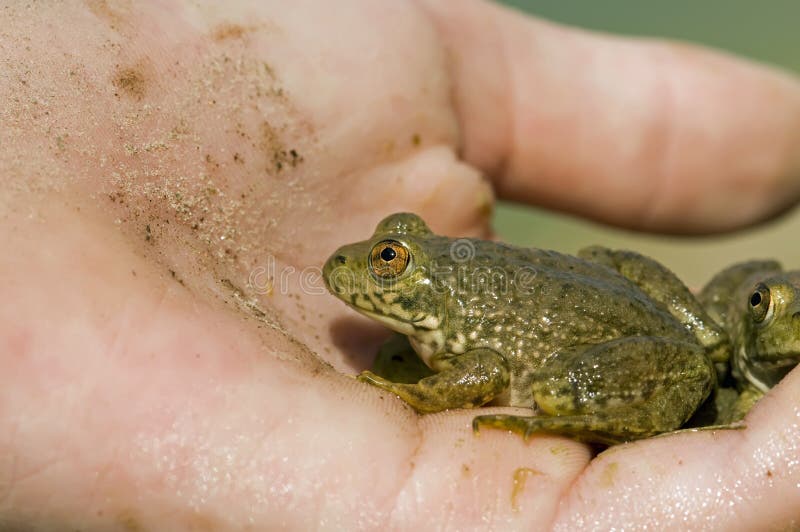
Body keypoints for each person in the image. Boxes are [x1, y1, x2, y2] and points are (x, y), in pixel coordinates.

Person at [2, 0, 799, 528]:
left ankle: (621, 395)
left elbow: (482, 368)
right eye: (389, 251)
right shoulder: (442, 296)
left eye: (388, 261)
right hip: (624, 315)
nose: (363, 269)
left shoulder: (455, 330)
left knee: (558, 386)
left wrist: (417, 389)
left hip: (614, 347)